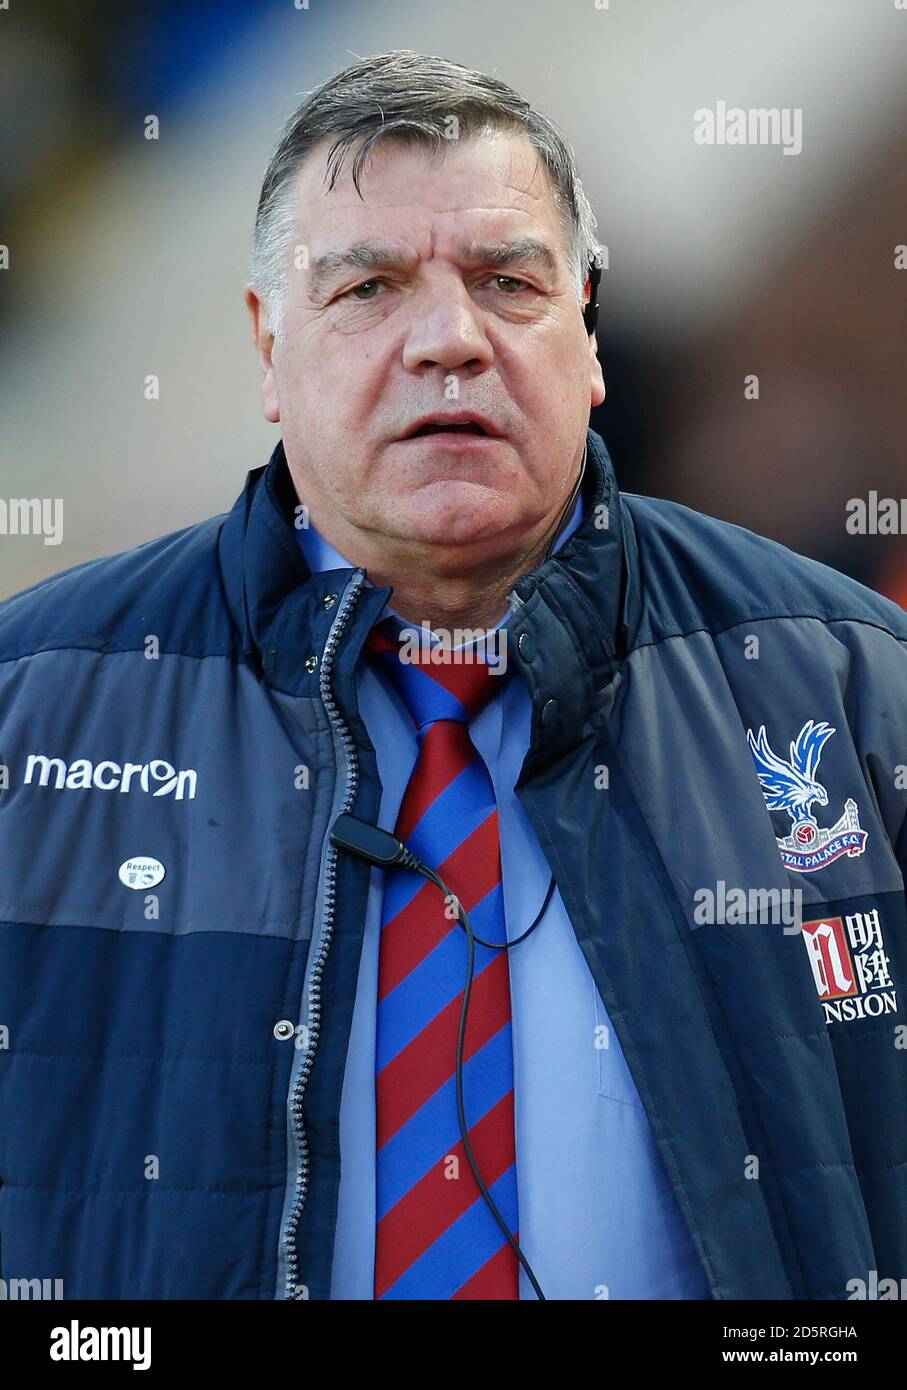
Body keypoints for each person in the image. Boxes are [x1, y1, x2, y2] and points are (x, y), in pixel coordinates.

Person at [0, 49, 905, 1303]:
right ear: (270, 347)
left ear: (586, 330)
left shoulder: (850, 689)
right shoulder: (33, 708)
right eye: (367, 288)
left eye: (506, 282)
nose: (448, 342)